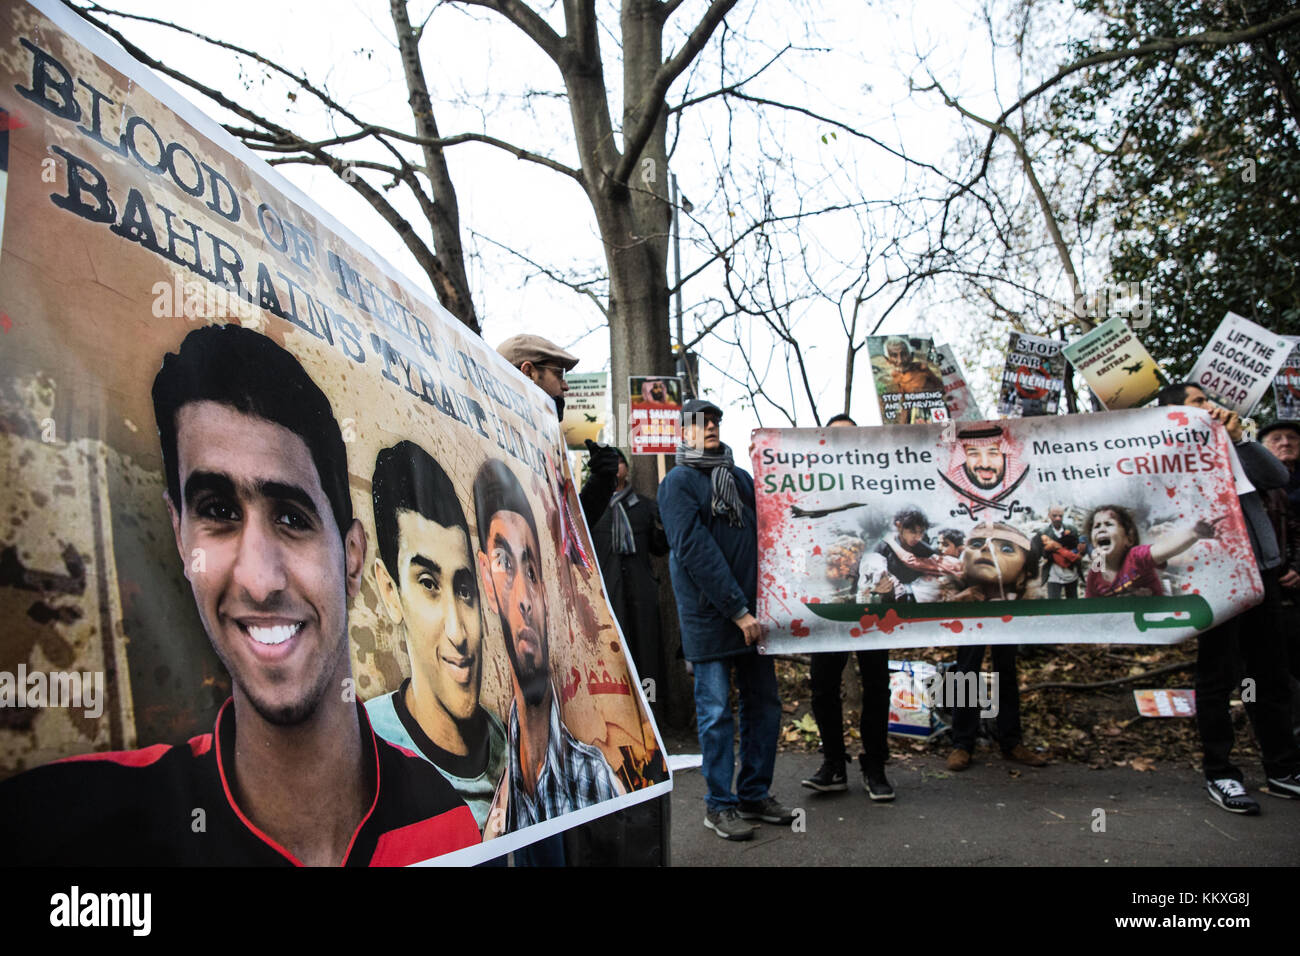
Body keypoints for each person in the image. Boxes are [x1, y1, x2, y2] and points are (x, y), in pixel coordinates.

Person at [0, 325, 481, 865]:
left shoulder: (443, 819)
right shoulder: (66, 829)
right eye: (218, 512)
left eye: (293, 518)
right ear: (180, 535)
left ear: (351, 556)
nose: (258, 579)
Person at [1157, 384, 1300, 812]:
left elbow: (1277, 478)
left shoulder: (1235, 445)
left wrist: (1240, 441)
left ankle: (1281, 768)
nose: (1210, 407)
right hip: (1212, 578)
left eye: (1207, 400)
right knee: (1218, 677)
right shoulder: (1163, 457)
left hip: (1260, 574)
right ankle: (1221, 772)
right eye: (1197, 402)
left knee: (1268, 676)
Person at [659, 398, 794, 841]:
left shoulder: (739, 478)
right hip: (712, 617)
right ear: (685, 433)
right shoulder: (678, 482)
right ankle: (719, 805)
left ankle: (754, 793)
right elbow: (694, 549)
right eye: (700, 423)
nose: (710, 427)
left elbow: (769, 534)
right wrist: (737, 610)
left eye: (715, 421)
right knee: (716, 712)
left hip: (755, 615)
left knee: (764, 706)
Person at [472, 458, 622, 834]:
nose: (523, 596)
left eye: (533, 571)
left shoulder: (594, 781)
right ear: (486, 582)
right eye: (503, 562)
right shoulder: (493, 797)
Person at [366, 441, 507, 836]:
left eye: (464, 590)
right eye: (428, 583)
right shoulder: (363, 752)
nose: (457, 632)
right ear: (390, 592)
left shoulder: (512, 750)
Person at [801, 413, 895, 801]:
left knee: (876, 685)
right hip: (829, 605)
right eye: (835, 437)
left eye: (850, 438)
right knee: (823, 685)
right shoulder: (812, 489)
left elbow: (890, 534)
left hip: (870, 603)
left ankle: (875, 767)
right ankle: (833, 765)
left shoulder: (876, 488)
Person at [944, 522, 1047, 772]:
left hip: (1006, 616)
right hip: (971, 618)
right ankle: (962, 744)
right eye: (978, 544)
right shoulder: (951, 584)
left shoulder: (1023, 593)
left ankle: (1011, 742)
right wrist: (959, 599)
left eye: (1006, 548)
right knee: (967, 673)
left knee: (1006, 672)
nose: (987, 551)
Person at [496, 333, 620, 524]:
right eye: (559, 374)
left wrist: (602, 482)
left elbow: (564, 532)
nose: (566, 386)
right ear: (528, 372)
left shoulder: (546, 441)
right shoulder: (494, 434)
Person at [589, 449, 668, 710]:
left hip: (642, 593)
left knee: (646, 654)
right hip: (606, 596)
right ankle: (617, 710)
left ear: (626, 468)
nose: (617, 467)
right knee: (612, 655)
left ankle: (651, 710)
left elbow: (659, 547)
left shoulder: (644, 506)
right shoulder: (590, 507)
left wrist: (666, 524)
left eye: (620, 462)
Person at [1083, 505, 1216, 598]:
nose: (1101, 528)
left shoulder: (1135, 556)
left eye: (1109, 524)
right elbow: (1092, 606)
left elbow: (1162, 550)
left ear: (1128, 539)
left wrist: (1193, 533)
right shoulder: (1095, 572)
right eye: (1096, 526)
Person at [1035, 505, 1082, 599]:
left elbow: (1078, 549)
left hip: (1071, 573)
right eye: (1054, 515)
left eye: (1060, 516)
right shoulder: (1043, 533)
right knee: (1053, 603)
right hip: (1053, 574)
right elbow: (1040, 553)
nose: (1058, 518)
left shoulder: (1072, 530)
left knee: (1073, 601)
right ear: (1049, 515)